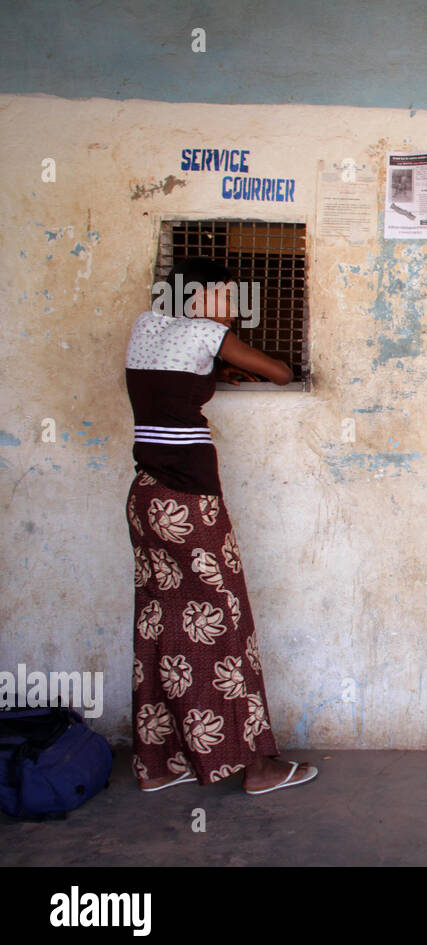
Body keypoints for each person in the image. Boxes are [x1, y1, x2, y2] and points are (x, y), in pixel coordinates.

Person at [126, 257, 317, 796]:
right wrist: (224, 346)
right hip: (190, 505)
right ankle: (257, 767)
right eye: (226, 296)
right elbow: (281, 373)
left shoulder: (144, 326)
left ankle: (158, 763)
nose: (233, 308)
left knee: (159, 621)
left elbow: (170, 381)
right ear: (196, 296)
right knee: (225, 625)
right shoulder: (210, 333)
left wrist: (216, 367)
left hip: (146, 498)